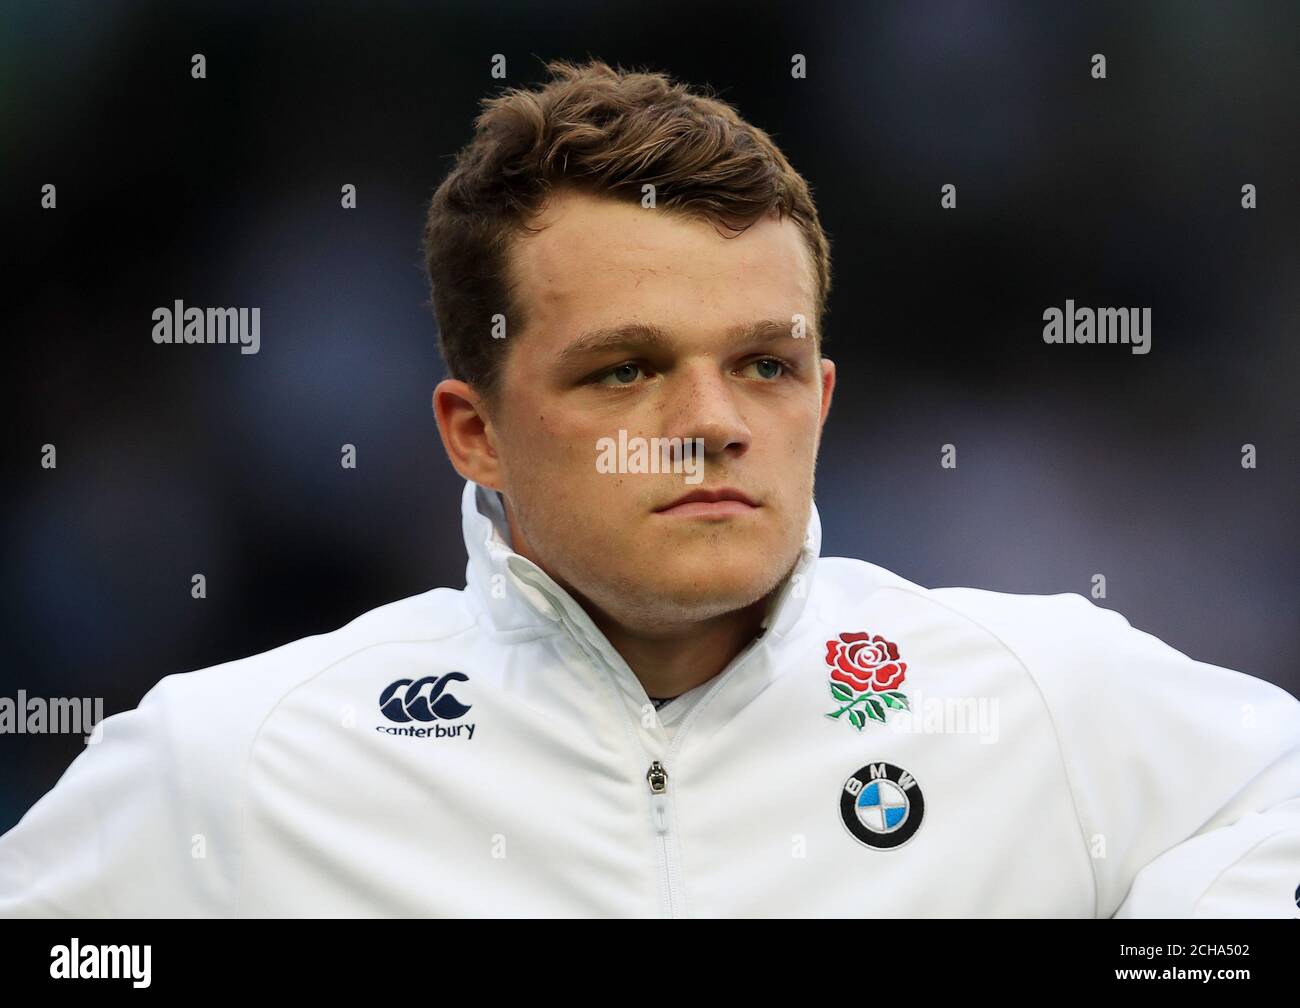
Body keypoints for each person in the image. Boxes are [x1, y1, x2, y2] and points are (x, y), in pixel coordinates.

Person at [2, 58, 1297, 918]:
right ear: (475, 433)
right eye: (626, 372)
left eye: (764, 366)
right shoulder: (237, 763)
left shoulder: (1041, 696)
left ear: (824, 401)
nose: (713, 426)